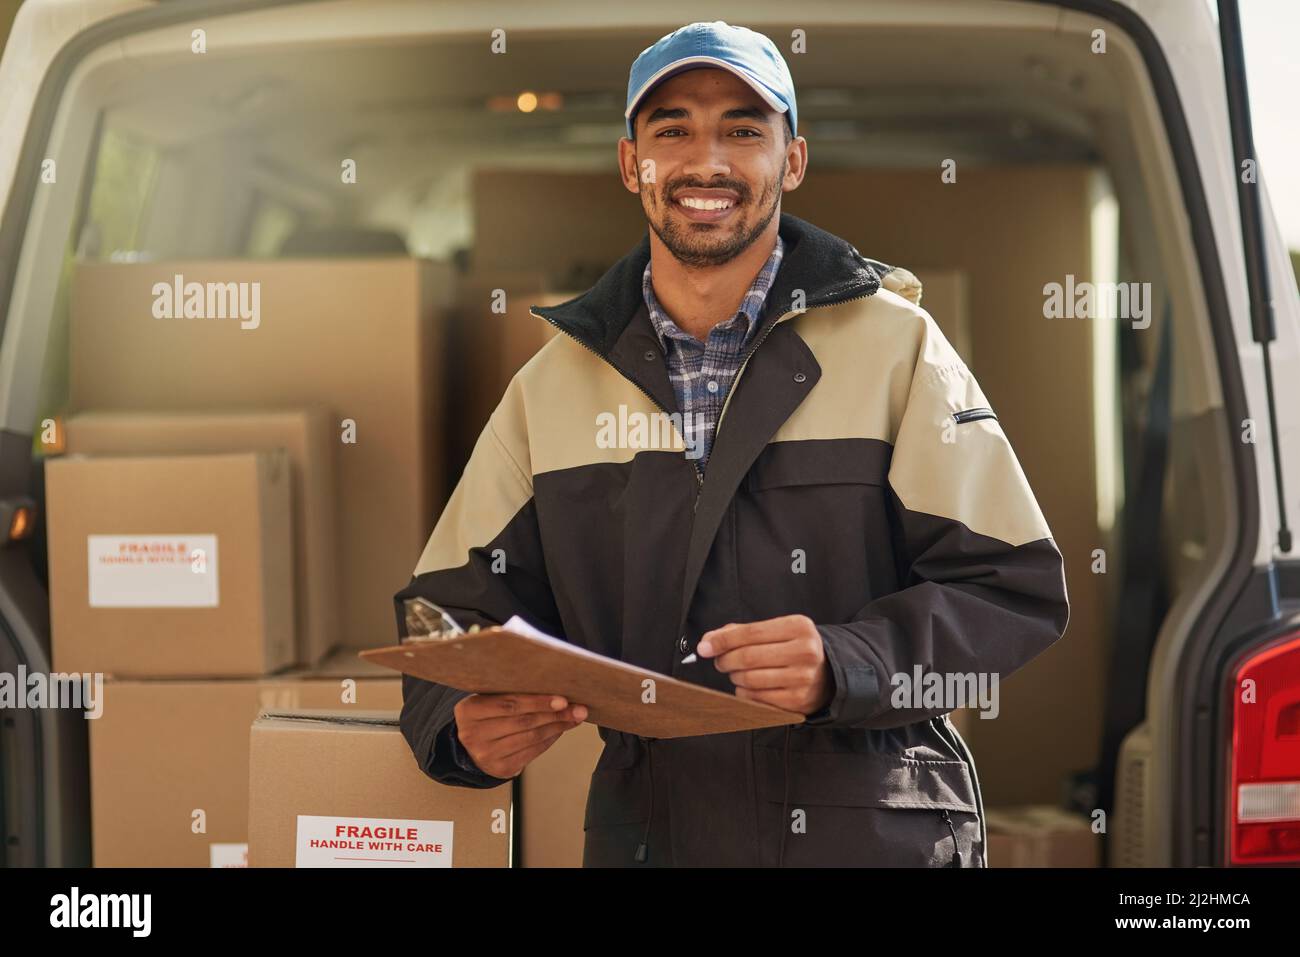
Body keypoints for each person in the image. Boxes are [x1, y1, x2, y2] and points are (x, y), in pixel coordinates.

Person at [395, 20, 1069, 867]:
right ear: (630, 162)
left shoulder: (900, 350)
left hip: (869, 842)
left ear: (791, 160)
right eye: (671, 129)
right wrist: (458, 728)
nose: (705, 162)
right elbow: (442, 614)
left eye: (743, 130)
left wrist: (847, 659)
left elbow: (1013, 591)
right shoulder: (552, 387)